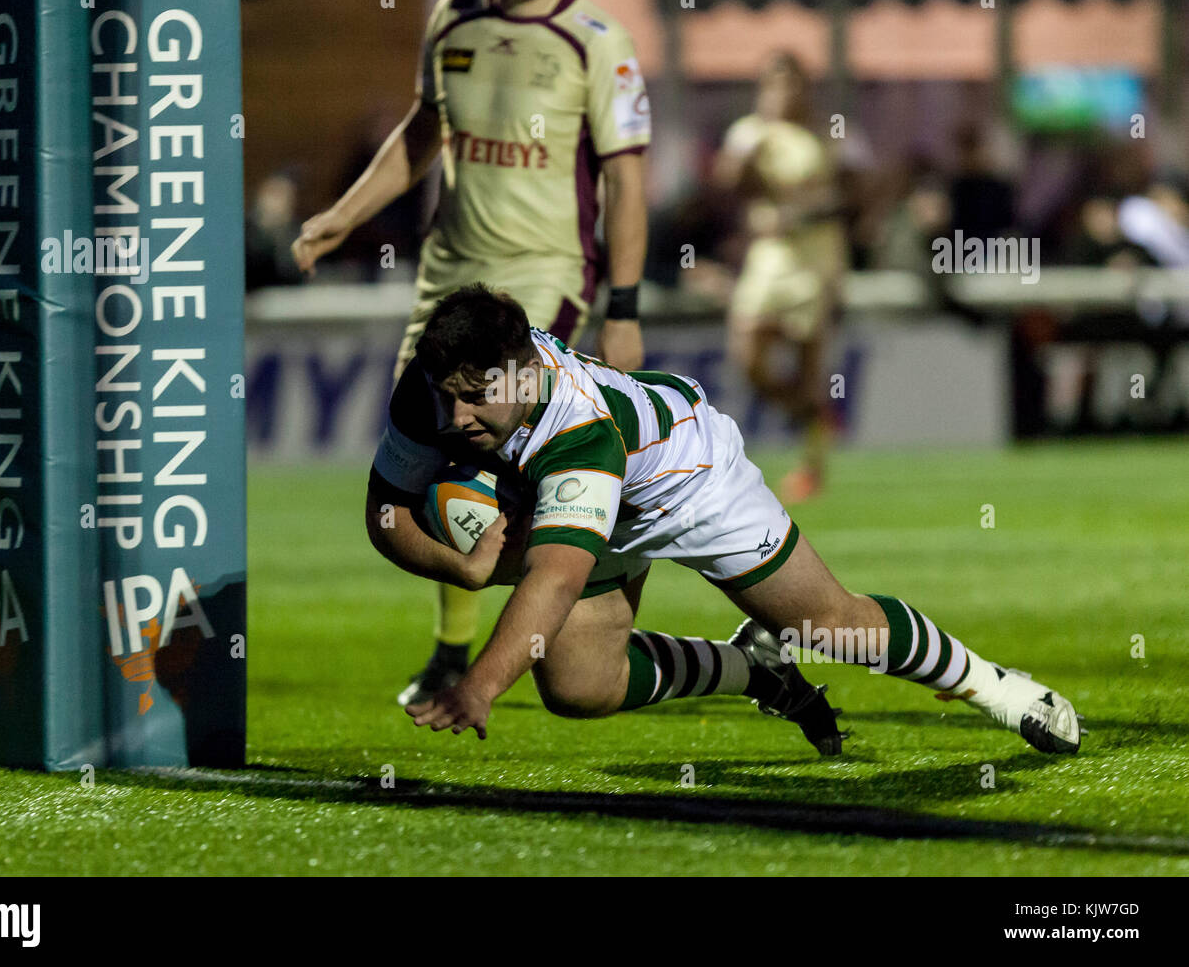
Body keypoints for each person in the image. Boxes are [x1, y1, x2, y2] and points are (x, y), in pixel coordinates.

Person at [367, 284, 1084, 757]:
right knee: (579, 689)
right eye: (447, 397)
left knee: (833, 625)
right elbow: (384, 512)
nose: (456, 419)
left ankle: (1001, 689)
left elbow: (554, 580)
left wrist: (481, 685)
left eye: (474, 399)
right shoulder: (430, 393)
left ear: (524, 371)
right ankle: (756, 669)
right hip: (581, 506)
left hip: (689, 477)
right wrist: (458, 566)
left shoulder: (579, 432)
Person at [293, 0, 652, 707]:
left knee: (482, 459)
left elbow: (628, 177)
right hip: (447, 281)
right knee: (421, 462)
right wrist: (342, 217)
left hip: (543, 282)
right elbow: (424, 133)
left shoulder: (599, 42)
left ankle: (502, 642)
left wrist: (623, 305)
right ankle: (472, 636)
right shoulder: (452, 18)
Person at [713, 53, 846, 505]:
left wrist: (803, 213)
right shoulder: (750, 133)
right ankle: (804, 411)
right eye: (776, 84)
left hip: (816, 256)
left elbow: (858, 193)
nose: (785, 94)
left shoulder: (828, 132)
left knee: (810, 358)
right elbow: (725, 182)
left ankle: (813, 467)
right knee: (746, 347)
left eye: (793, 84)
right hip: (770, 255)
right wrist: (749, 160)